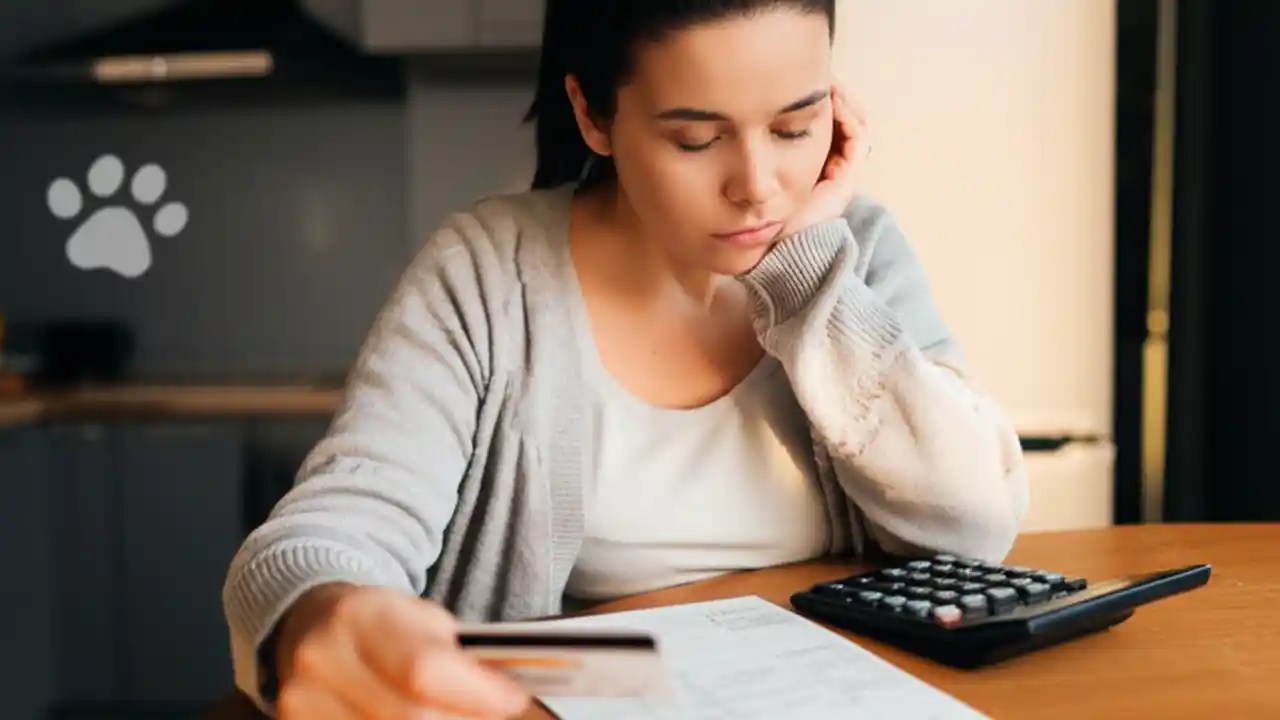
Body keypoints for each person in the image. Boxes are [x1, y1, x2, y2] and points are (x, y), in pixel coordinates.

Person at [222, 0, 1029, 717]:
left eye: (794, 127)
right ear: (593, 113)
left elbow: (973, 524)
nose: (757, 185)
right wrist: (321, 617)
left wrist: (809, 273)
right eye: (696, 138)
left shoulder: (856, 250)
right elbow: (328, 535)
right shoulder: (490, 273)